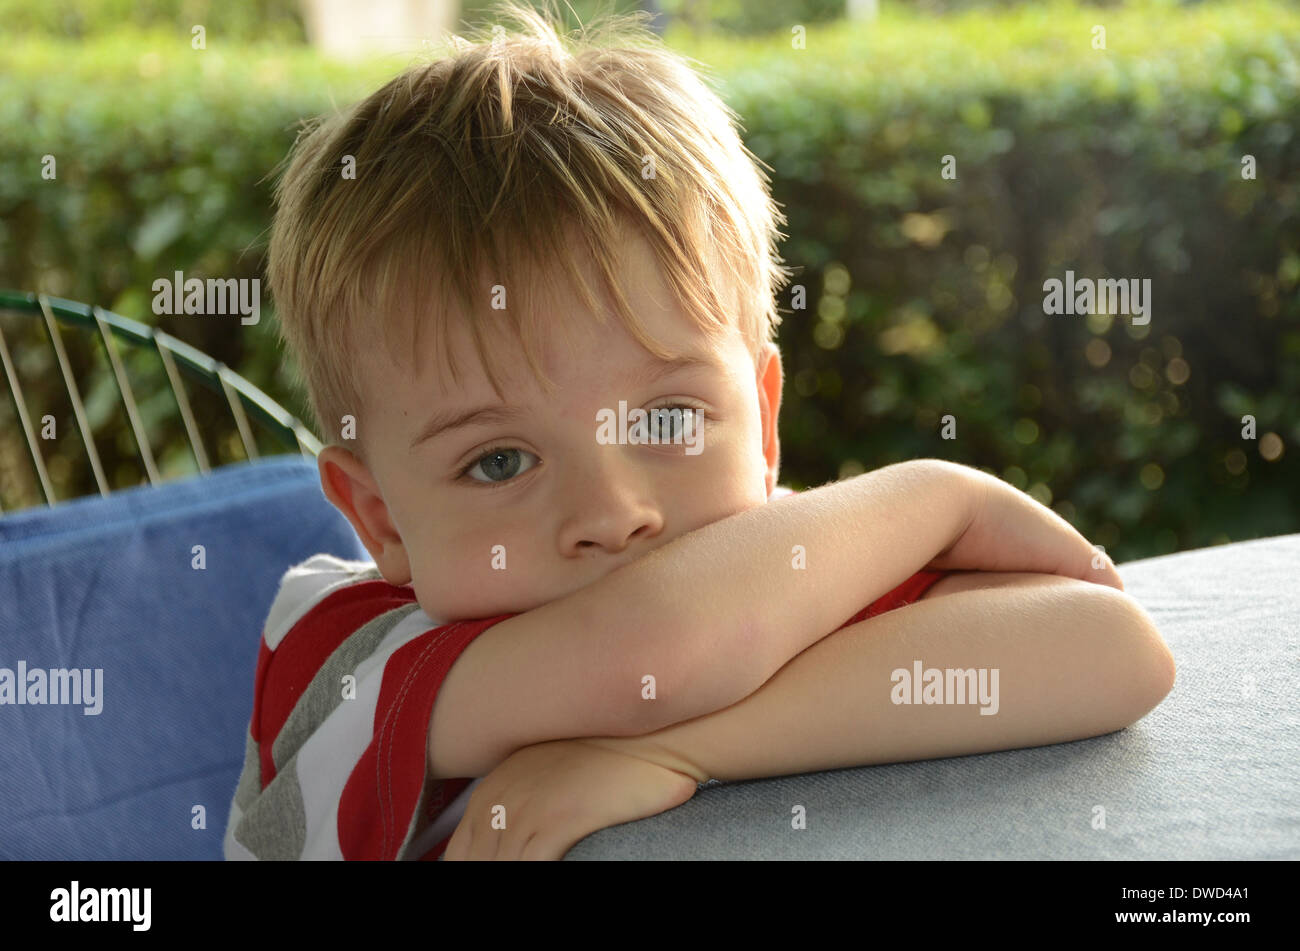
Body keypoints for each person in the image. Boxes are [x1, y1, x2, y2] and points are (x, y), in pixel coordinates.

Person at [224, 1, 1174, 861]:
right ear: (380, 515)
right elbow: (654, 656)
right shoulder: (332, 653)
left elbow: (1109, 651)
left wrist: (678, 749)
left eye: (669, 417)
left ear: (761, 419)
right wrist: (938, 494)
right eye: (498, 460)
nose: (614, 511)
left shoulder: (760, 571)